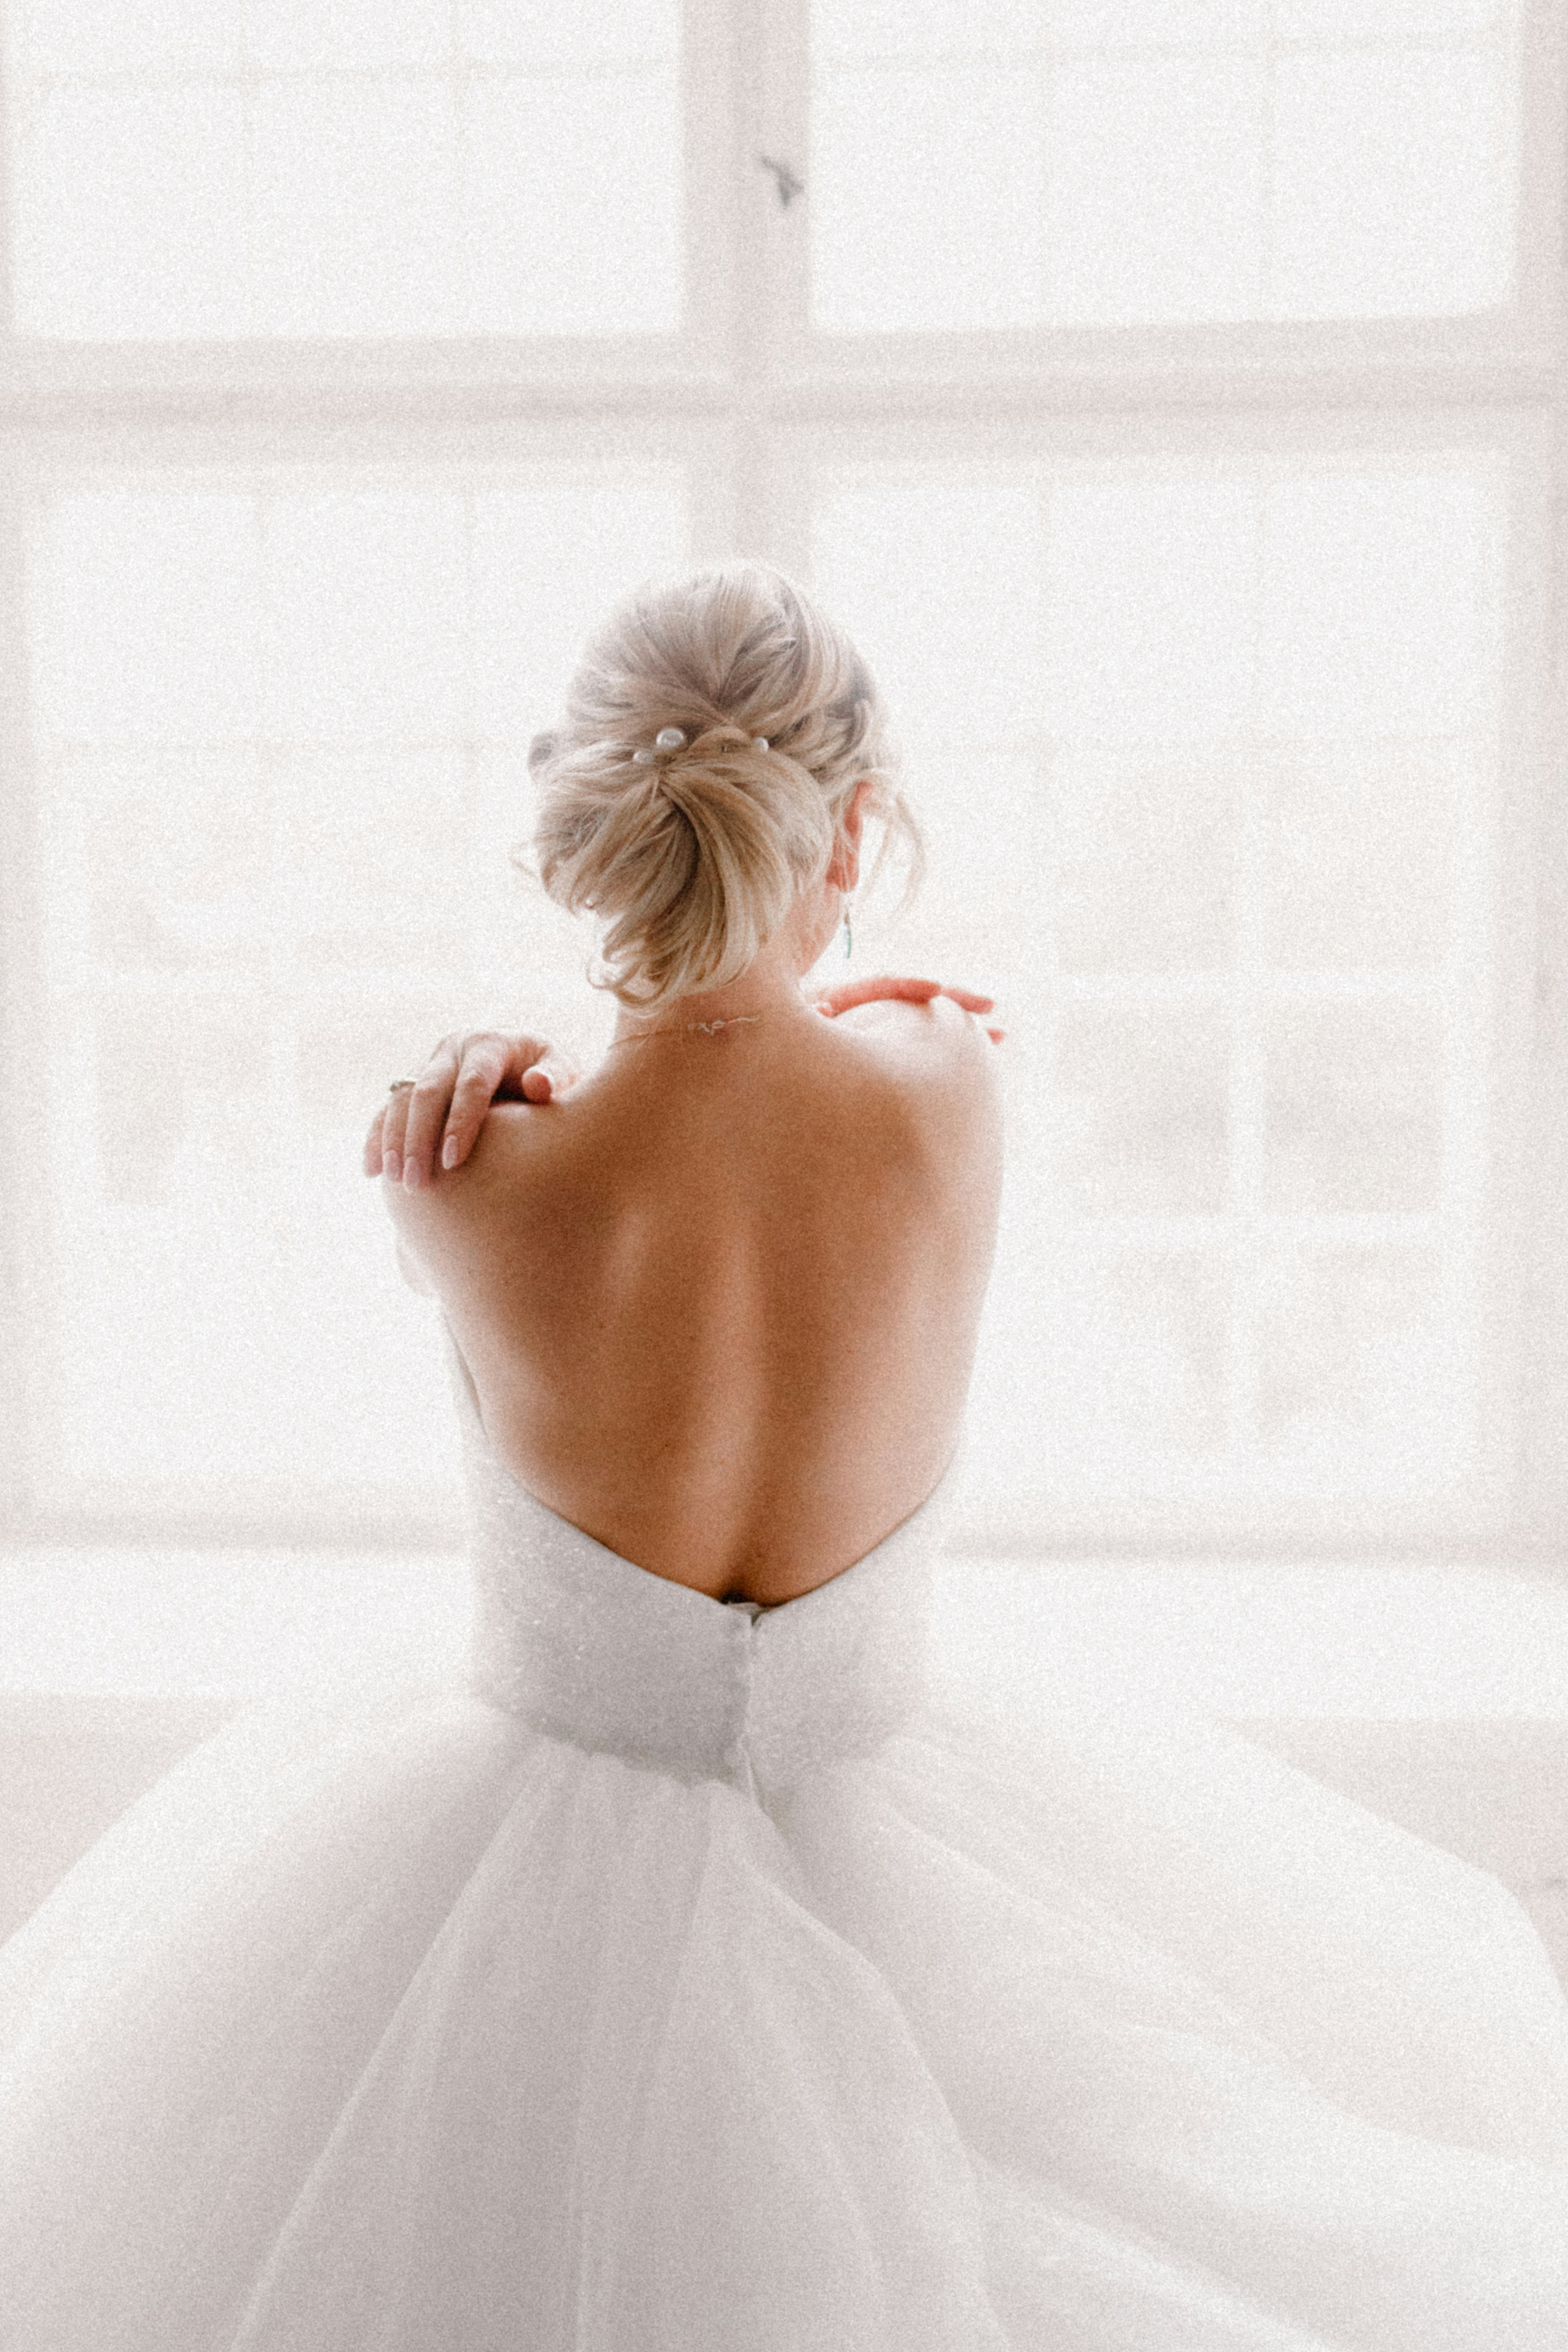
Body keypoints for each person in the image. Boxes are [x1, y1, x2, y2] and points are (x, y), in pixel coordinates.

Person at [1, 562, 1565, 2352]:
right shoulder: (950, 1084)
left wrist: (487, 1073)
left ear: (578, 828)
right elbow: (898, 1033)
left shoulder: (463, 1180)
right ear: (856, 826)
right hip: (904, 1822)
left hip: (516, 1881)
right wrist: (843, 1003)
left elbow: (616, 1147)